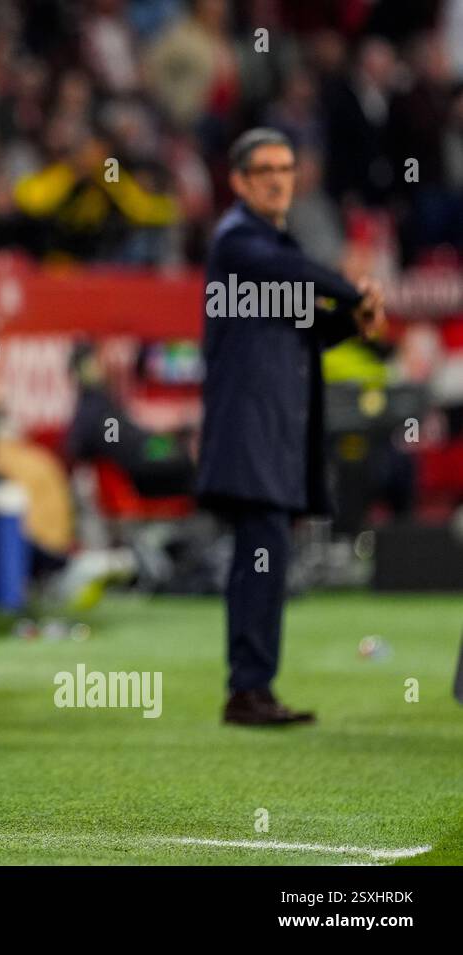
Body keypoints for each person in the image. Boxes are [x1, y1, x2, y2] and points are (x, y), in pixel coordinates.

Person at [197, 127, 386, 726]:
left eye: (286, 167)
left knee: (269, 554)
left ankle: (254, 687)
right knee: (261, 552)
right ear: (240, 182)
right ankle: (247, 689)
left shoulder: (277, 250)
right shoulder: (239, 241)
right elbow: (296, 273)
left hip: (274, 432)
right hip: (250, 430)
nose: (280, 179)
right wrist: (356, 293)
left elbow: (306, 327)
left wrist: (352, 322)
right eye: (265, 170)